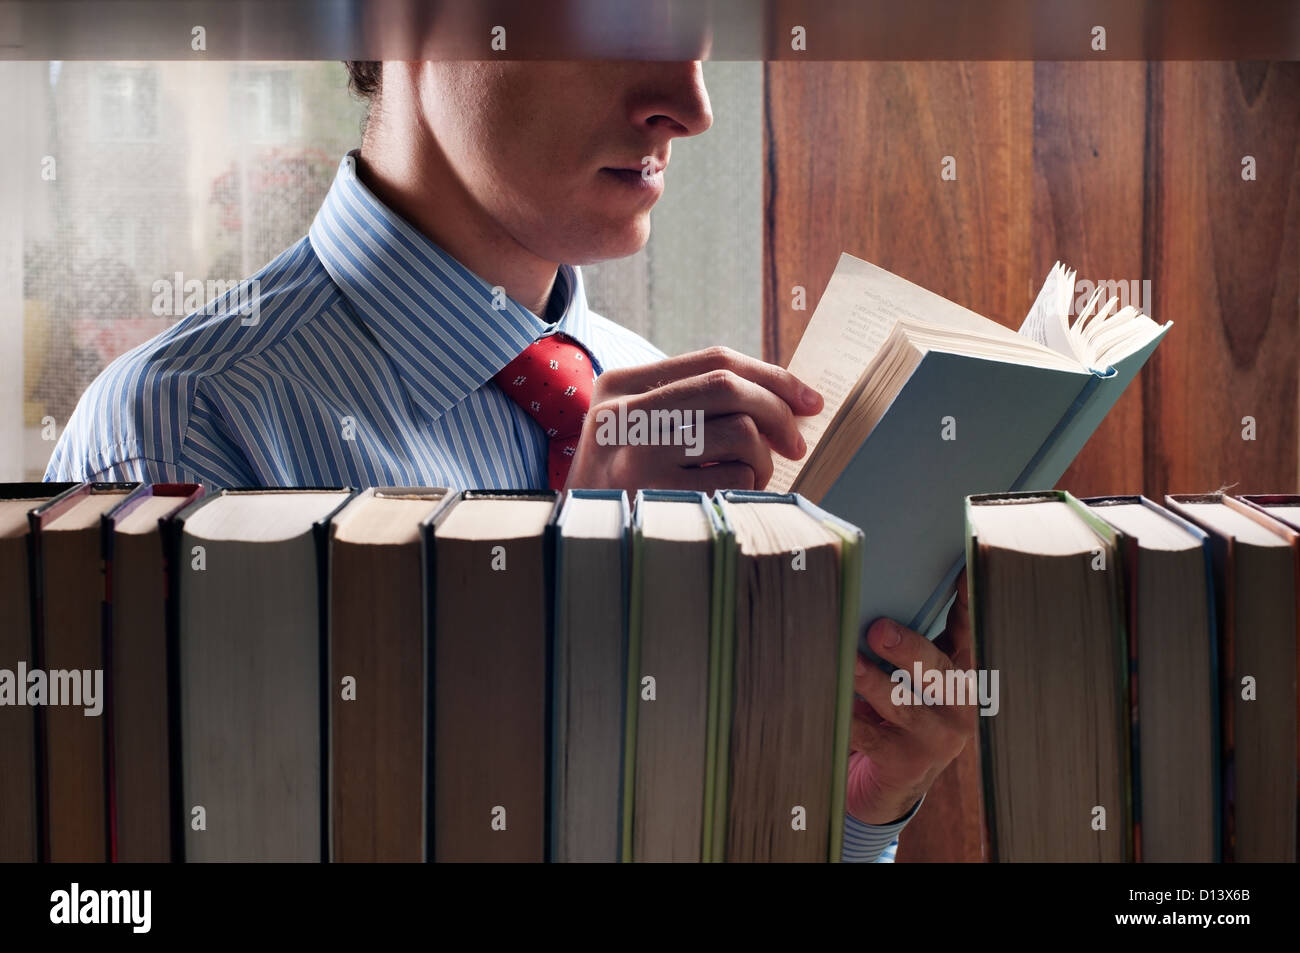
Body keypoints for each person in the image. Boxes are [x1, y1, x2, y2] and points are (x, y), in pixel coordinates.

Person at [45, 60, 976, 862]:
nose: (691, 106)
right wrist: (581, 584)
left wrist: (855, 812)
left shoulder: (659, 394)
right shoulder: (177, 432)